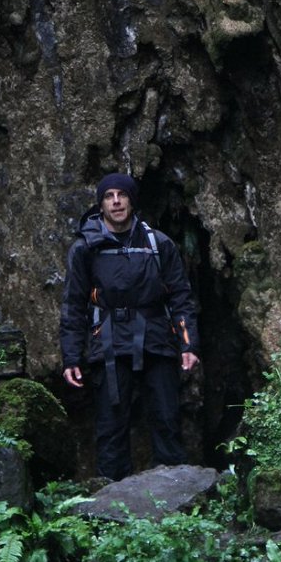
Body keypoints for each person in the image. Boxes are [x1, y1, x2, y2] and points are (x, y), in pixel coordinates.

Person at [60, 172, 200, 480]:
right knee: (111, 426)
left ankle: (178, 495)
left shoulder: (158, 244)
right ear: (101, 204)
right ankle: (111, 505)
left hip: (156, 338)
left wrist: (188, 345)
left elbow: (180, 296)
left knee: (166, 416)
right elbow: (73, 305)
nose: (116, 201)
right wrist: (71, 357)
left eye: (121, 195)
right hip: (108, 342)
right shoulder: (85, 248)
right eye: (109, 196)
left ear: (131, 200)